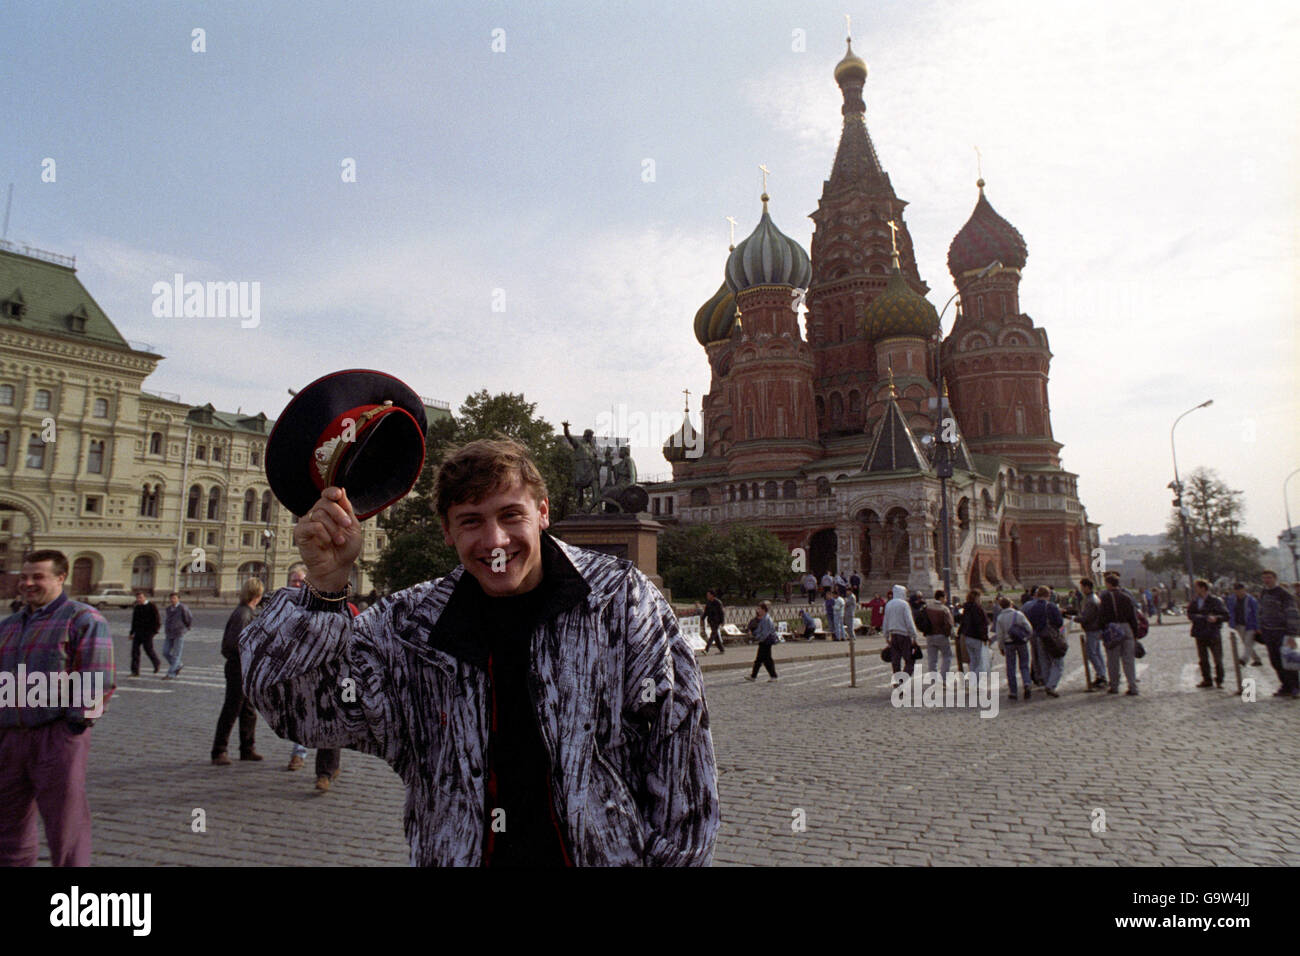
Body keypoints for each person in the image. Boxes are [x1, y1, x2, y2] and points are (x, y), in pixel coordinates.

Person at [241, 438, 719, 865]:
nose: (494, 542)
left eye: (511, 515)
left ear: (543, 512)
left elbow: (680, 750)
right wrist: (324, 588)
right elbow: (300, 712)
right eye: (471, 522)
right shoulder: (412, 626)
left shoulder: (619, 598)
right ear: (448, 532)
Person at [0, 550, 116, 866]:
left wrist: (73, 728)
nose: (27, 583)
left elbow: (97, 679)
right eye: (24, 577)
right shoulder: (7, 626)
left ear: (60, 578)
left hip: (56, 737)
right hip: (9, 738)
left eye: (38, 576)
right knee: (7, 829)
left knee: (65, 827)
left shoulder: (84, 619)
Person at [211, 578, 264, 764]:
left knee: (248, 710)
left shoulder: (247, 612)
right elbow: (234, 644)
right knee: (231, 709)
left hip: (246, 668)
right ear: (256, 595)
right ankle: (219, 750)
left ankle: (247, 748)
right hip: (239, 667)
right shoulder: (243, 614)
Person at [1256, 570, 1300, 699]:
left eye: (1269, 578)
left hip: (1283, 632)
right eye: (1264, 578)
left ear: (1275, 579)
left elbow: (1292, 613)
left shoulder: (1284, 594)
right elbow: (1261, 611)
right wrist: (1260, 627)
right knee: (1275, 661)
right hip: (1269, 632)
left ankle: (1295, 687)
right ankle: (1285, 686)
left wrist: (1292, 634)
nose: (1266, 580)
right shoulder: (1263, 593)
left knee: (1289, 660)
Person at [1098, 572, 1140, 695]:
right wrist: (1135, 633)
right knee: (1128, 660)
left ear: (1109, 584)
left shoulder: (1105, 598)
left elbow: (1101, 616)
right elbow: (1133, 617)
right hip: (1126, 627)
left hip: (1112, 629)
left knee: (1113, 660)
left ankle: (1114, 686)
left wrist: (1102, 630)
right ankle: (1133, 686)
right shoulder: (1126, 597)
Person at [1022, 586, 1065, 697]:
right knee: (1058, 662)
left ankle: (1047, 683)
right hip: (1051, 637)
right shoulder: (1051, 606)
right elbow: (1059, 622)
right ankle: (1050, 686)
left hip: (1039, 637)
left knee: (1044, 662)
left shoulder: (1032, 607)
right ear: (1048, 595)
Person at [1187, 579, 1228, 688]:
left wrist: (1216, 618)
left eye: (1196, 587)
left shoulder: (1215, 601)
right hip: (1200, 633)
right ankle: (1207, 679)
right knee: (1203, 659)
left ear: (1203, 588)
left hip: (1213, 632)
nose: (1194, 589)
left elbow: (1225, 615)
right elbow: (1190, 614)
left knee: (1217, 658)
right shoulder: (1195, 601)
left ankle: (1219, 679)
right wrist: (1202, 617)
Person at [994, 596, 1033, 700]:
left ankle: (1013, 691)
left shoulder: (1000, 618)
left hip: (1009, 643)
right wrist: (1027, 637)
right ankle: (1027, 683)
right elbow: (1029, 628)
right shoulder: (1018, 614)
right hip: (1021, 642)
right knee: (1024, 665)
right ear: (1011, 604)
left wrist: (1001, 647)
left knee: (1010, 667)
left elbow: (1000, 635)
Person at [883, 585, 920, 676]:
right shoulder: (904, 604)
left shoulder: (889, 604)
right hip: (904, 635)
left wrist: (886, 635)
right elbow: (909, 621)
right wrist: (914, 635)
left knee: (895, 660)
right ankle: (904, 680)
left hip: (893, 635)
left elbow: (885, 620)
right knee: (909, 660)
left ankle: (897, 680)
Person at [1077, 579, 1107, 689]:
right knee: (1097, 653)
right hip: (1096, 628)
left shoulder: (1090, 600)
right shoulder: (1094, 598)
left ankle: (1101, 675)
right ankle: (1101, 674)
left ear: (1087, 587)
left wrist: (1073, 618)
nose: (1081, 590)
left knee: (1091, 653)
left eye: (1082, 587)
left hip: (1092, 629)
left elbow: (1086, 618)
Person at [1225, 582, 1262, 668]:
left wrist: (1258, 626)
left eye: (1240, 589)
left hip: (1250, 625)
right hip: (1238, 624)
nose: (1238, 592)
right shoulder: (1232, 599)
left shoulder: (1251, 600)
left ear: (1244, 590)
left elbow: (1256, 614)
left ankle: (1243, 660)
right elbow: (1230, 611)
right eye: (1236, 590)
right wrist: (1231, 623)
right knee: (1246, 643)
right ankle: (1257, 659)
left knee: (1248, 642)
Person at [128, 589, 161, 677]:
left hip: (148, 633)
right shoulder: (137, 607)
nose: (139, 599)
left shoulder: (152, 606)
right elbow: (134, 621)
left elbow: (157, 620)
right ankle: (135, 671)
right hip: (138, 633)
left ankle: (156, 663)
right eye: (138, 598)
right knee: (135, 652)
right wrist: (131, 633)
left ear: (144, 597)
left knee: (148, 650)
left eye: (141, 597)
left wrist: (154, 631)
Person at [921, 590, 955, 677]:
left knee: (932, 660)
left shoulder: (927, 607)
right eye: (945, 597)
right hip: (941, 635)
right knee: (947, 656)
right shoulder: (944, 609)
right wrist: (950, 634)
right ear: (941, 598)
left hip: (929, 635)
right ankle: (943, 678)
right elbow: (949, 624)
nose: (946, 599)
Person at [958, 589, 990, 677]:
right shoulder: (978, 609)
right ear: (976, 598)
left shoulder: (966, 609)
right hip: (977, 637)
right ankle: (977, 681)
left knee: (972, 661)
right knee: (980, 661)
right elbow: (981, 624)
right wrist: (985, 637)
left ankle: (972, 681)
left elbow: (963, 623)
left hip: (968, 637)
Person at [161, 591, 192, 680]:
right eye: (171, 598)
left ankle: (171, 673)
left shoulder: (183, 608)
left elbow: (188, 618)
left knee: (176, 654)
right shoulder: (168, 609)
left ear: (178, 599)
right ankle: (178, 665)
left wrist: (186, 628)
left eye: (174, 598)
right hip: (169, 633)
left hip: (179, 633)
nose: (172, 600)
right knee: (165, 652)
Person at [745, 601, 779, 682]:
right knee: (763, 659)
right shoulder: (764, 619)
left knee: (764, 659)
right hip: (764, 641)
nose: (757, 610)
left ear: (763, 610)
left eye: (759, 609)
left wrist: (757, 637)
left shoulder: (766, 619)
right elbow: (759, 630)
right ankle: (755, 676)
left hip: (766, 641)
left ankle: (772, 676)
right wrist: (754, 634)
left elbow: (765, 633)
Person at [702, 589, 725, 655]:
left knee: (712, 635)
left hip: (717, 621)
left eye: (708, 595)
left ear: (712, 595)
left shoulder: (718, 602)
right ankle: (721, 649)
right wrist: (702, 618)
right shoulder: (708, 602)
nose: (707, 596)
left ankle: (706, 649)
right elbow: (706, 612)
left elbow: (721, 612)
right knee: (715, 636)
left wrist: (722, 621)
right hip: (711, 621)